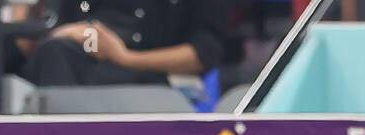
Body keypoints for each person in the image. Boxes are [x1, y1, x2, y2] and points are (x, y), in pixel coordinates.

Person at [20, 0, 231, 89]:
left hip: (149, 74)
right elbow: (49, 29)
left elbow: (204, 54)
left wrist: (125, 57)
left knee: (56, 55)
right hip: (77, 54)